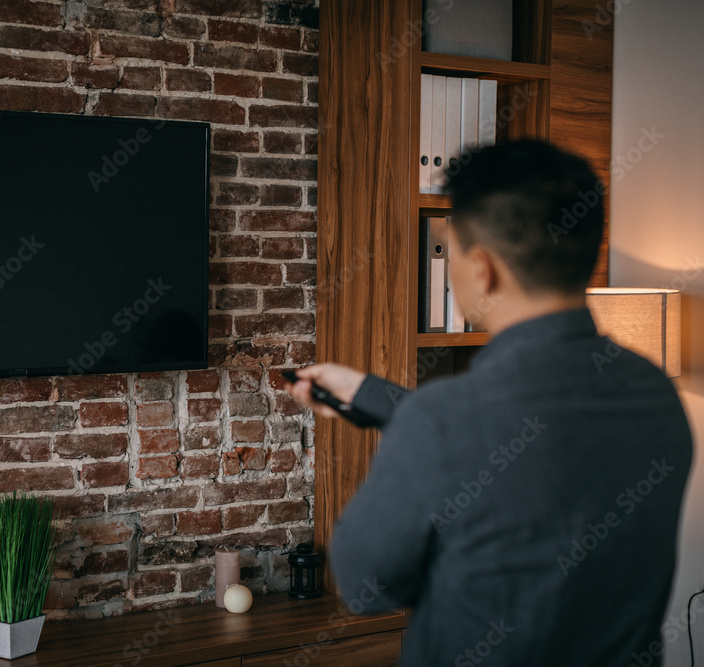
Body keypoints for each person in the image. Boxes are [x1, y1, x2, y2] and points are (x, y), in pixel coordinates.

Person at [287, 140, 692, 666]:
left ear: (482, 269)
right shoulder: (656, 395)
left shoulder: (444, 422)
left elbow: (367, 587)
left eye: (449, 249)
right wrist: (377, 398)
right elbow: (524, 445)